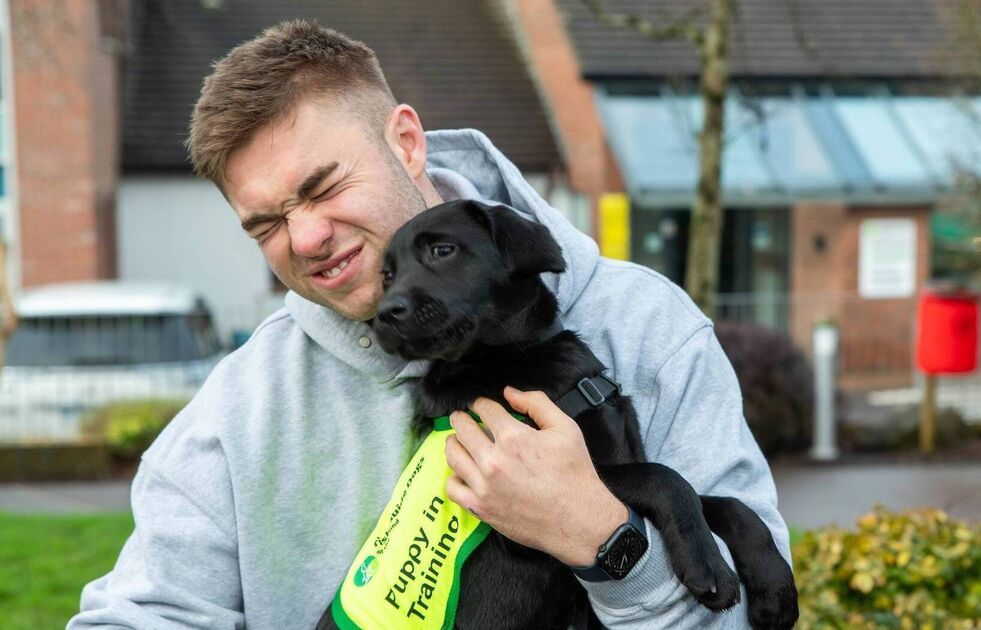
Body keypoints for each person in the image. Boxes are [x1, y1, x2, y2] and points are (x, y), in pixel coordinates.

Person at [68, 20, 790, 629]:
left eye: (323, 187)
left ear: (407, 141)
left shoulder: (648, 331)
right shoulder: (237, 412)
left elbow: (751, 616)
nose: (307, 237)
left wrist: (611, 548)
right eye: (267, 225)